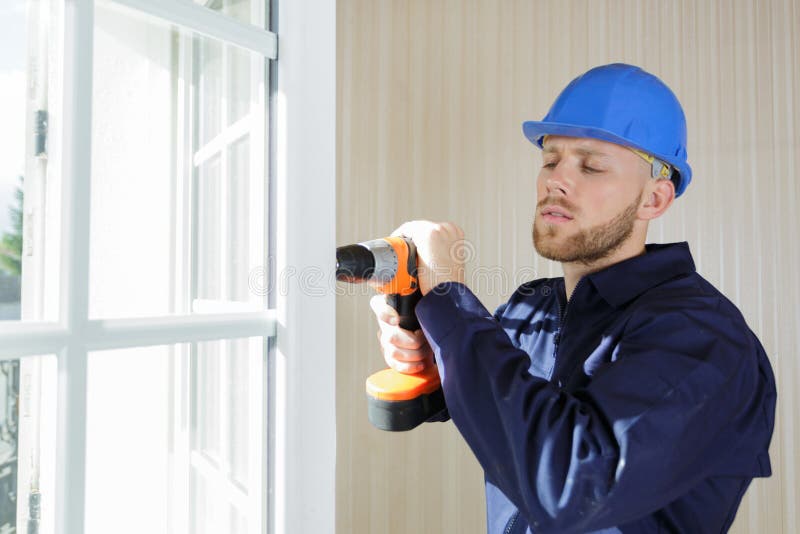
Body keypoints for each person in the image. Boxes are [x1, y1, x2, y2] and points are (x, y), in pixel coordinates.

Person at [370, 63, 776, 533]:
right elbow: (498, 402)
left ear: (655, 200)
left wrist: (449, 298)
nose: (554, 181)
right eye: (550, 160)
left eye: (592, 165)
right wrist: (426, 341)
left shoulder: (703, 336)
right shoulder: (532, 309)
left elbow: (570, 485)